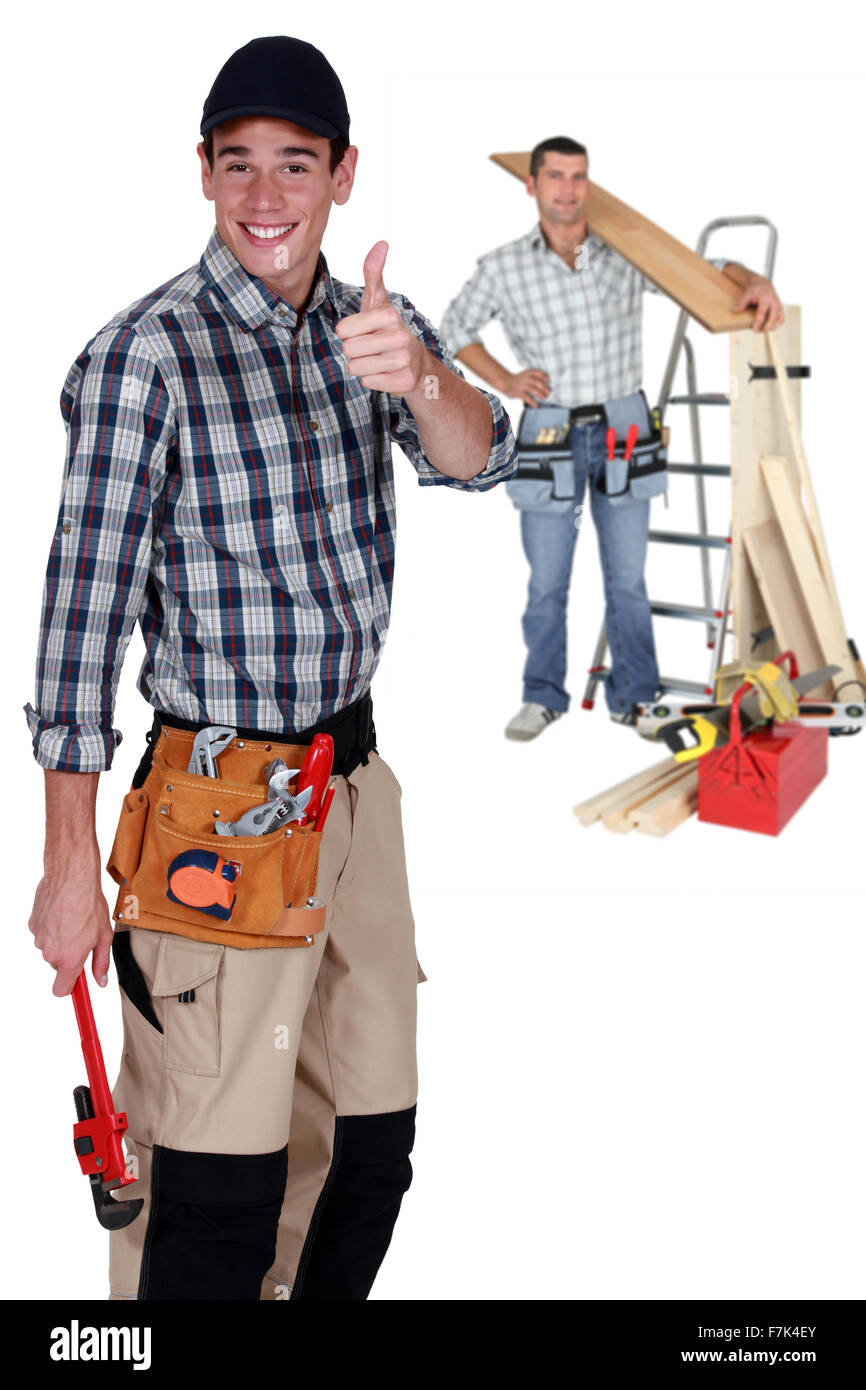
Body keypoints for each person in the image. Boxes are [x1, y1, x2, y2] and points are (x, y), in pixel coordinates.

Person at [24, 35, 515, 1301]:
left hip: (351, 789)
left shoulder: (374, 327)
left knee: (371, 1149)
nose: (264, 196)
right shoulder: (147, 358)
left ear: (341, 176)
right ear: (201, 172)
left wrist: (422, 377)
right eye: (236, 164)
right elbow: (80, 623)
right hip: (211, 806)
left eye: (294, 165)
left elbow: (479, 456)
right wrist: (71, 858)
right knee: (211, 1192)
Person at [440, 136, 784, 740]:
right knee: (547, 582)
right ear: (533, 186)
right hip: (550, 432)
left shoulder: (625, 254)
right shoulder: (503, 266)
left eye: (579, 177)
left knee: (628, 578)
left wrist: (751, 277)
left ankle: (637, 697)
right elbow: (455, 327)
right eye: (557, 177)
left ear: (588, 185)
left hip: (626, 424)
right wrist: (506, 379)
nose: (569, 189)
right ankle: (542, 696)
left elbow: (700, 275)